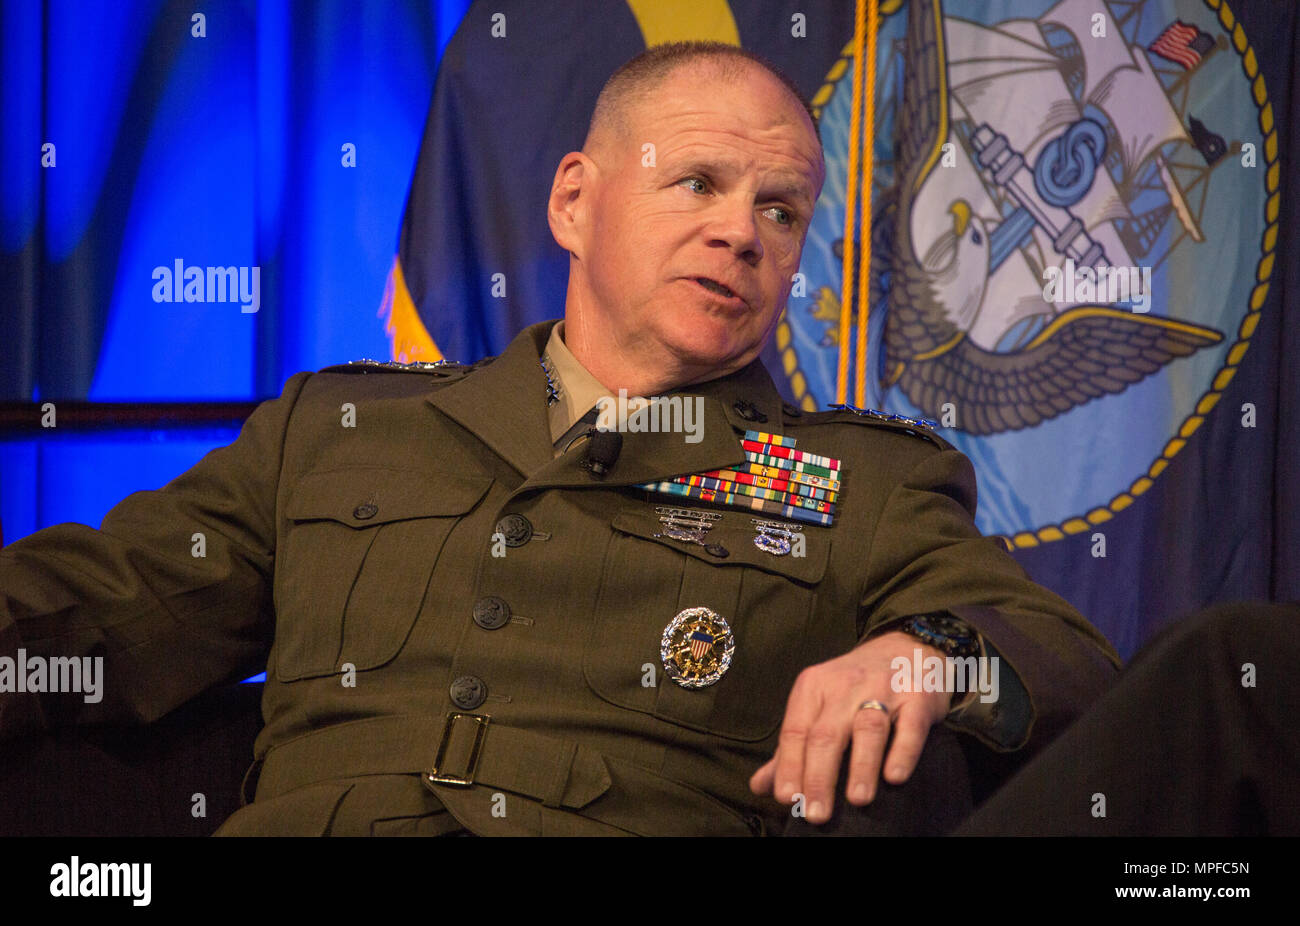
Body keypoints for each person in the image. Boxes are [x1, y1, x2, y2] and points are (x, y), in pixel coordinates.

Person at [0, 42, 1120, 836]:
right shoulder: (338, 430)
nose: (741, 231)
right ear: (574, 201)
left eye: (780, 210)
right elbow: (98, 607)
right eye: (698, 183)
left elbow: (1059, 657)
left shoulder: (863, 478)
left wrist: (927, 648)